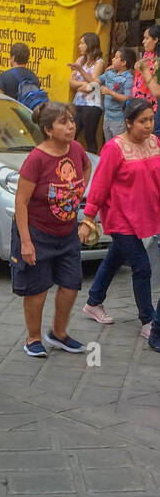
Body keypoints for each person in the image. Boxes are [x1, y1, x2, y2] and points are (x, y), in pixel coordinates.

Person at [11, 102, 90, 357]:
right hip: (37, 232)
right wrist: (26, 242)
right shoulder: (37, 158)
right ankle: (33, 338)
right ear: (48, 129)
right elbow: (20, 202)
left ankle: (58, 333)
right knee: (37, 289)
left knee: (70, 285)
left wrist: (78, 192)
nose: (71, 126)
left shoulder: (76, 149)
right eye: (63, 122)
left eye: (71, 121)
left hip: (66, 233)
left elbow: (86, 167)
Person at [81, 99, 160, 335]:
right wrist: (88, 218)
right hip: (119, 215)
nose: (148, 125)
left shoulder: (155, 142)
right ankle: (149, 321)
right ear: (128, 122)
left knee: (115, 256)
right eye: (142, 121)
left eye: (151, 120)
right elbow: (99, 185)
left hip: (144, 211)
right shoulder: (114, 148)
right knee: (142, 266)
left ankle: (93, 302)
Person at [69, 33, 105, 153]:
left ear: (90, 44)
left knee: (89, 136)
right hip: (78, 102)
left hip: (92, 104)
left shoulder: (99, 63)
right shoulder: (80, 60)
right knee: (72, 133)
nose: (80, 46)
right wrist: (82, 86)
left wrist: (80, 70)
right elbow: (71, 82)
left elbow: (93, 84)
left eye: (82, 43)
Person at [92, 46, 135, 142]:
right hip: (107, 115)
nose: (112, 59)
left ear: (123, 63)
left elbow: (127, 97)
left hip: (118, 119)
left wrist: (110, 92)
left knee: (118, 144)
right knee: (109, 143)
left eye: (116, 58)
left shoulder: (128, 78)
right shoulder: (110, 73)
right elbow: (96, 81)